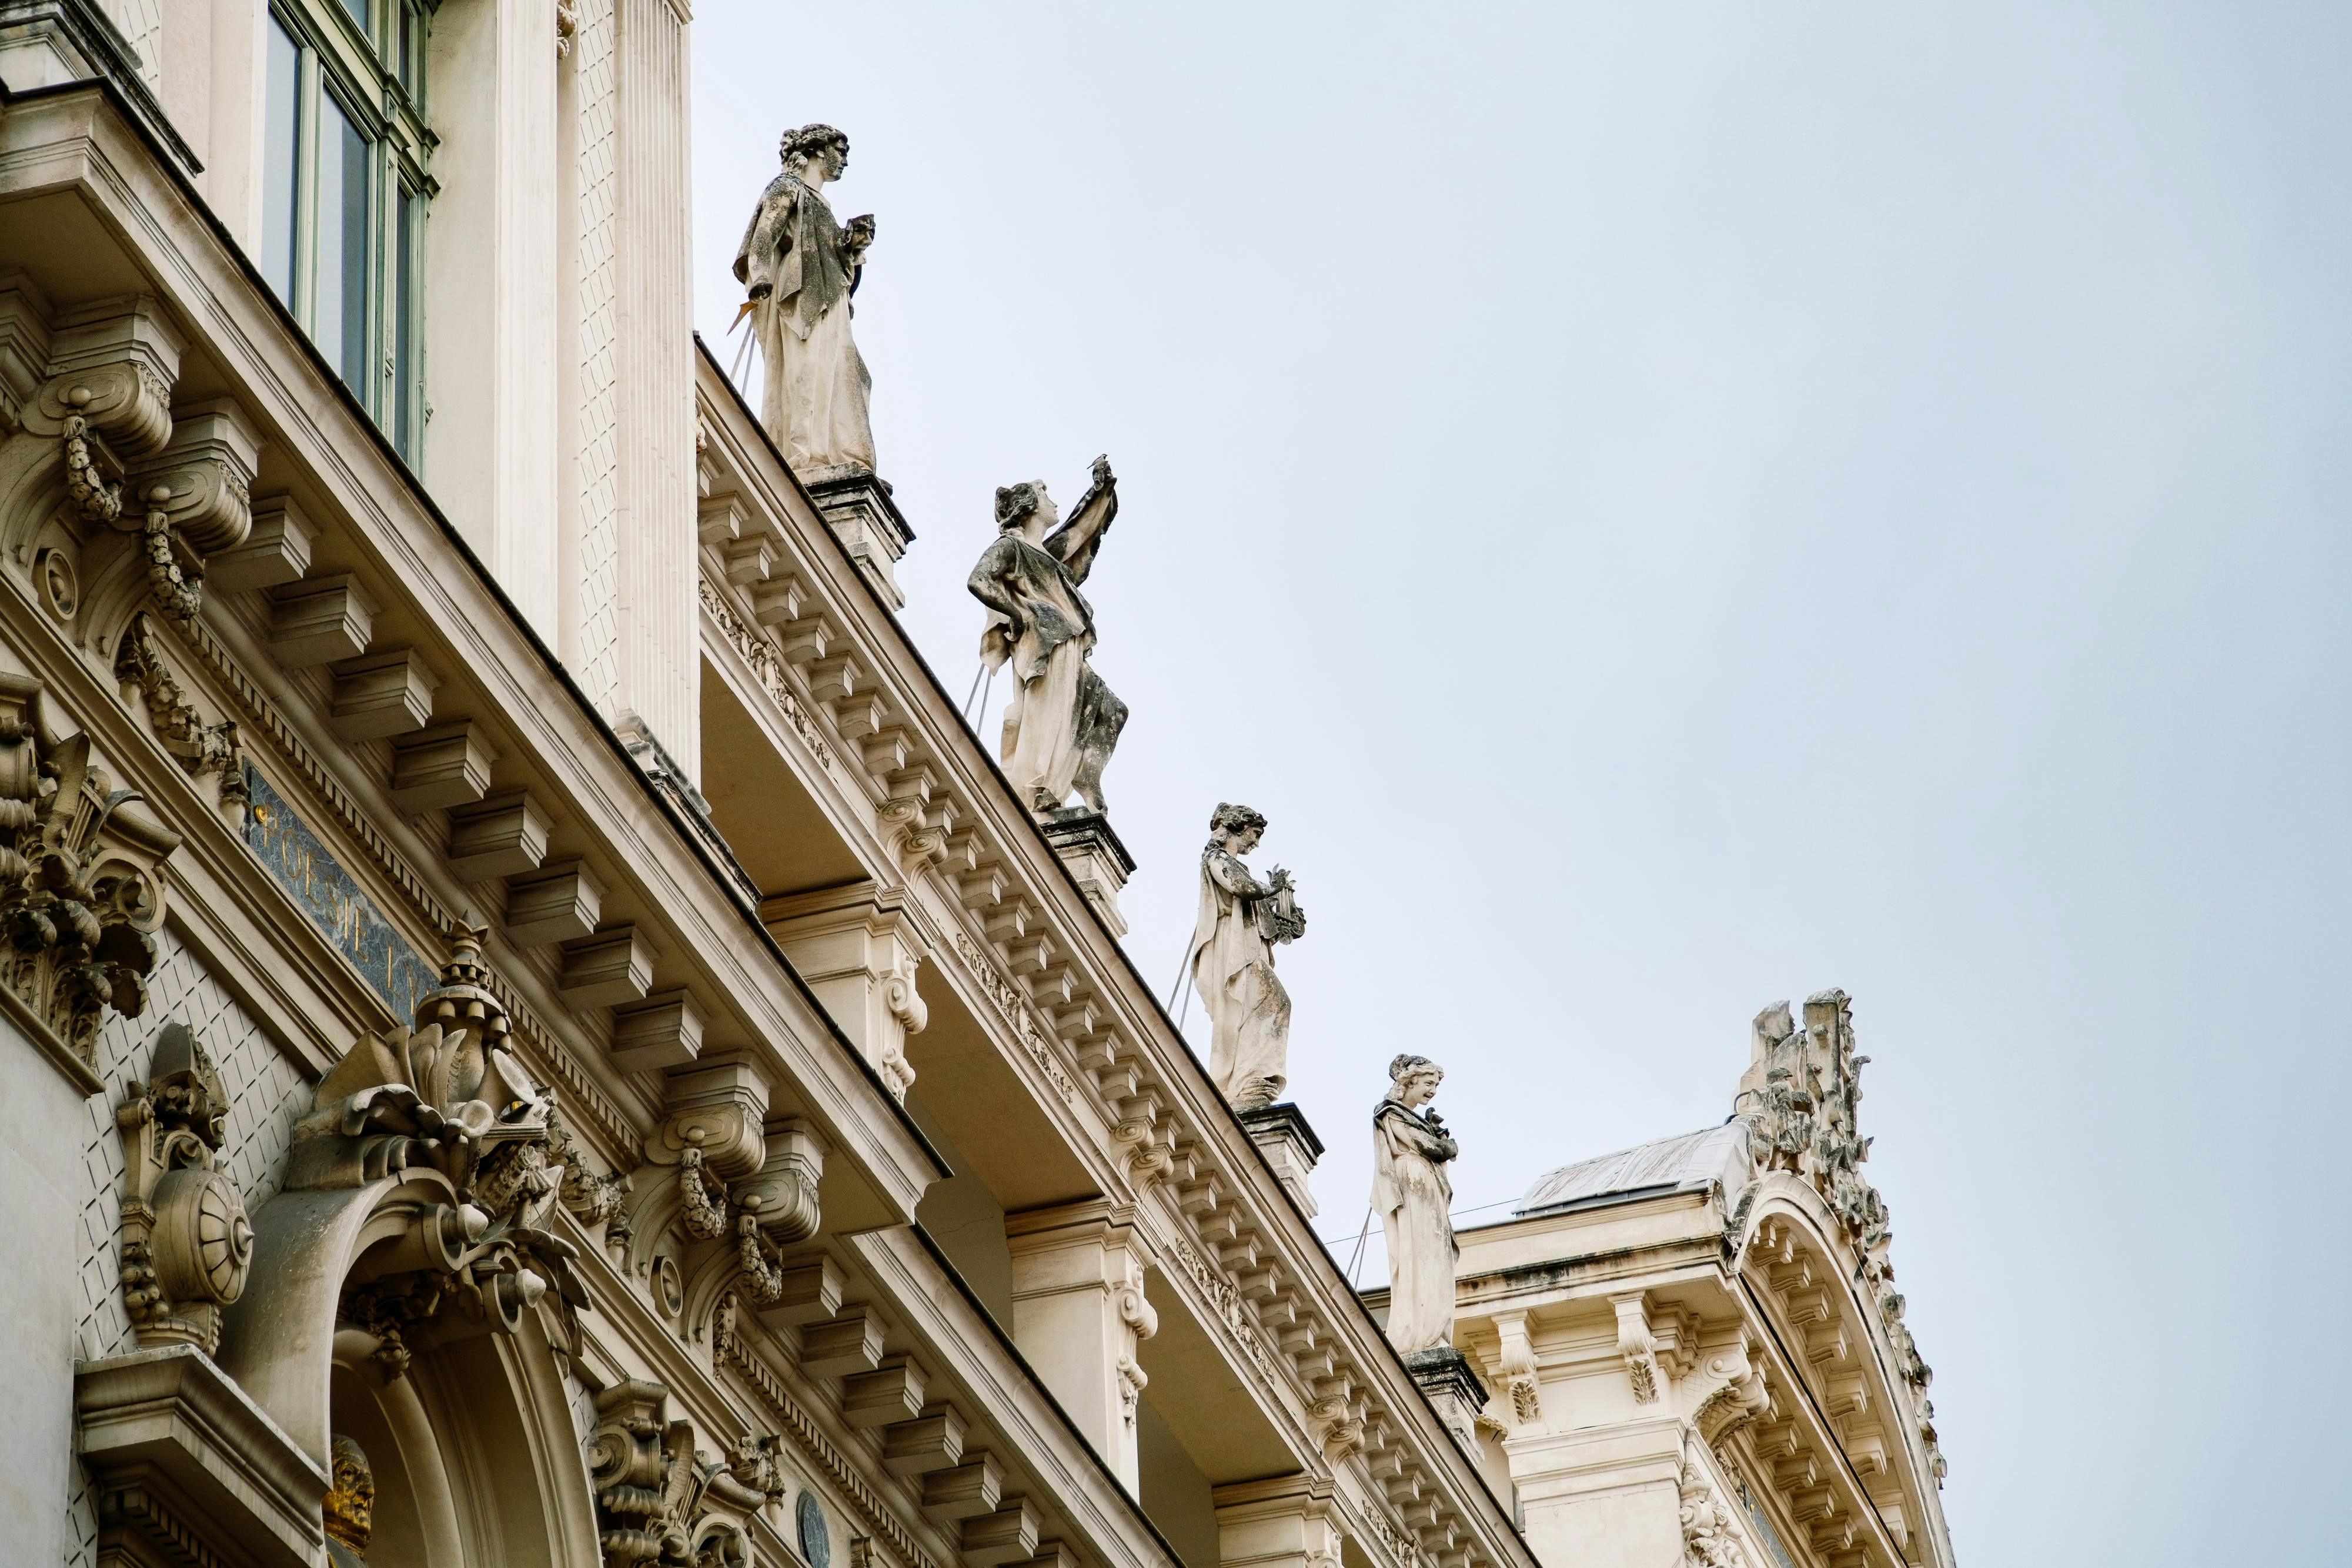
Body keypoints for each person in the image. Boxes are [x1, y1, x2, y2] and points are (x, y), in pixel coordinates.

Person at [966, 458, 1128, 814]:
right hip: (1044, 644)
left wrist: (1100, 492)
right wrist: (1018, 612)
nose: (1052, 501)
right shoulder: (1011, 547)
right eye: (1045, 494)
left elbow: (1081, 531)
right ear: (1029, 506)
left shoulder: (1047, 555)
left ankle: (1084, 775)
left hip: (1067, 641)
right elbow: (979, 579)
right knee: (1048, 717)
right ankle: (1042, 786)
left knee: (1112, 711)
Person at [734, 123, 876, 475]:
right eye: (840, 151)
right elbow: (765, 235)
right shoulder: (788, 188)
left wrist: (851, 248)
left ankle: (841, 454)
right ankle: (805, 457)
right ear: (817, 149)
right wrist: (761, 276)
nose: (844, 161)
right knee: (807, 371)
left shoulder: (822, 205)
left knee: (854, 376)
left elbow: (839, 271)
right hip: (800, 299)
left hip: (831, 301)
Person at [1186, 803, 1301, 1109]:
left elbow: (1265, 926)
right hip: (1231, 945)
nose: (1256, 842)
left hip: (1249, 945)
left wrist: (1288, 919)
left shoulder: (1239, 866)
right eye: (1255, 833)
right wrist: (1272, 889)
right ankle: (1244, 1081)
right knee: (1264, 1004)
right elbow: (1242, 887)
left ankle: (1251, 1079)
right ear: (1238, 826)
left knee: (1269, 1005)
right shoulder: (1216, 857)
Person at [1374, 1054, 1459, 1355]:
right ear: (1408, 1082)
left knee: (1435, 1255)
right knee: (1420, 1251)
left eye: (1436, 1085)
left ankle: (1433, 1328)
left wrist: (1437, 1136)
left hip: (1426, 1183)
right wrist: (1445, 1143)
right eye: (1428, 1083)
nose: (1433, 1090)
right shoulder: (1392, 1113)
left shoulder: (1414, 1119)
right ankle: (1418, 1331)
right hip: (1414, 1180)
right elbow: (1431, 1148)